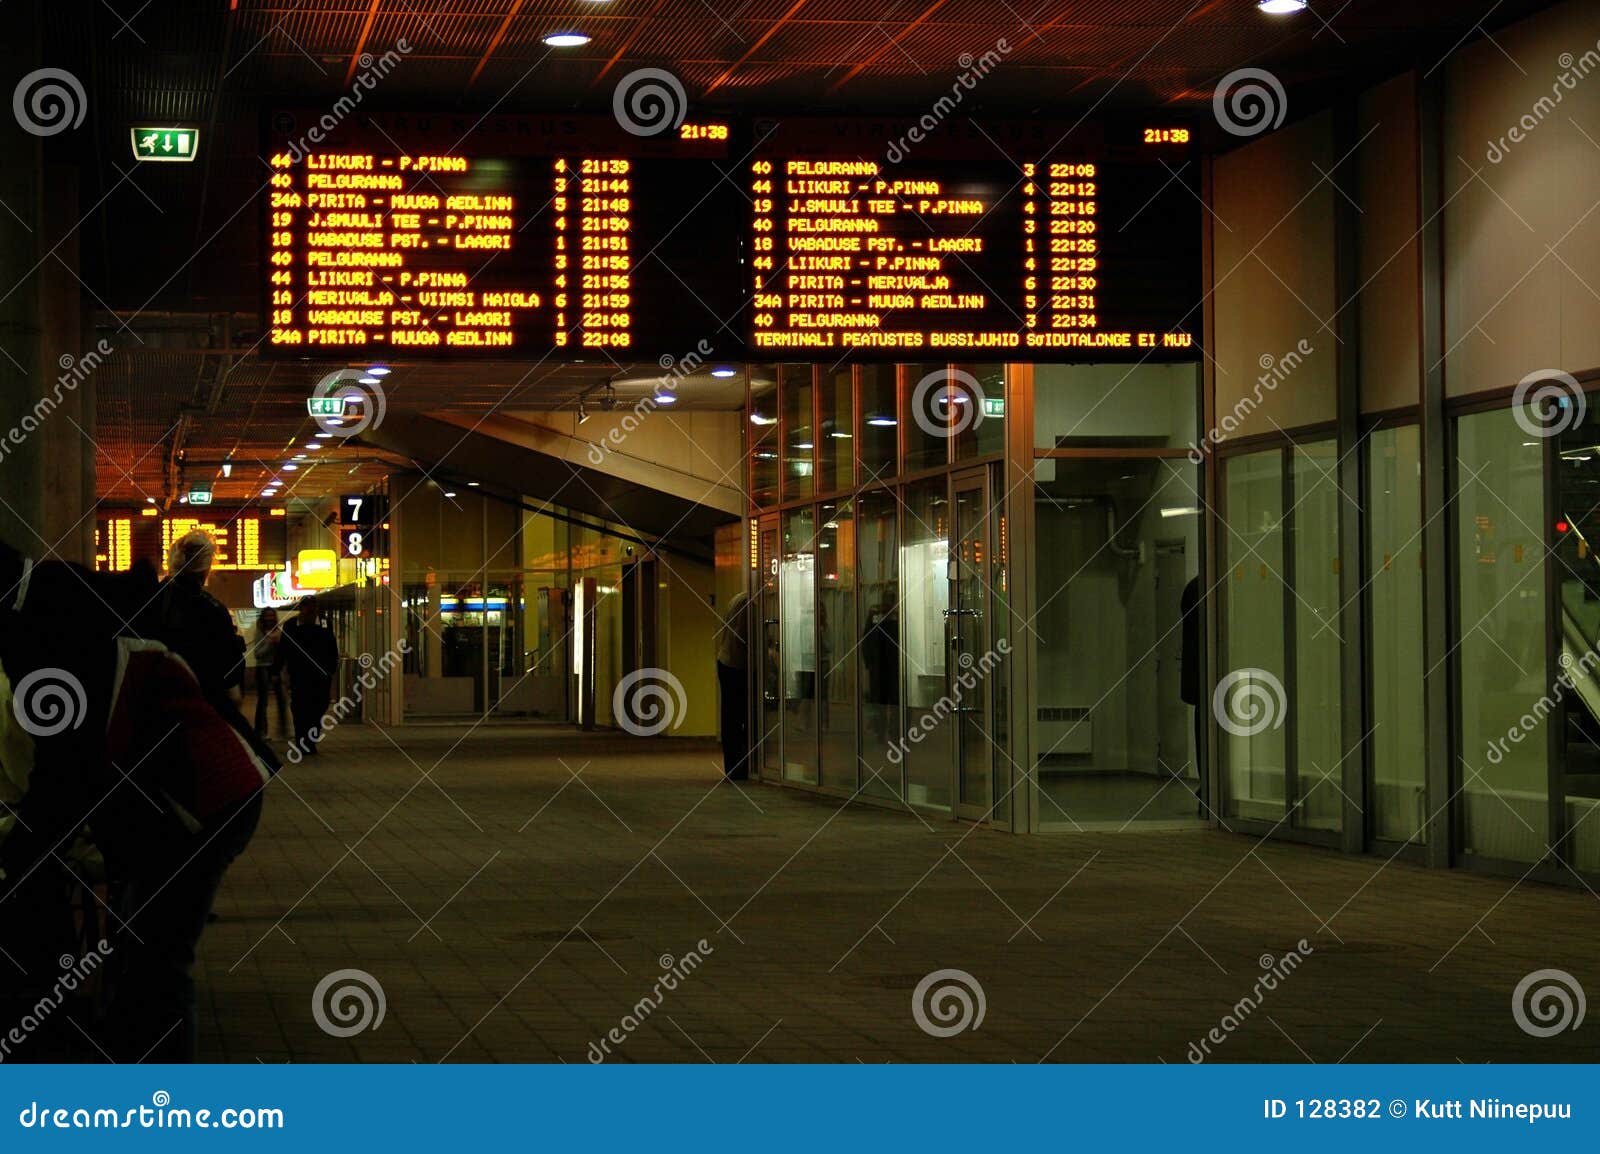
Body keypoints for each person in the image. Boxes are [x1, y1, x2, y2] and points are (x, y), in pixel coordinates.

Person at [275, 595, 340, 757]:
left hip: (321, 675)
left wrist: (331, 668)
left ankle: (313, 733)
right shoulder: (291, 626)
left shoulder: (325, 624)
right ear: (301, 609)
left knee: (320, 705)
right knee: (300, 708)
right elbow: (283, 649)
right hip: (299, 675)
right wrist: (276, 670)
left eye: (313, 607)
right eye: (307, 607)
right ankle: (303, 741)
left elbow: (332, 647)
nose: (311, 611)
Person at [715, 591, 750, 779]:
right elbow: (741, 637)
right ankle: (739, 766)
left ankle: (734, 765)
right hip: (737, 665)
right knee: (739, 716)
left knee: (730, 716)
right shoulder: (749, 603)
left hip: (727, 661)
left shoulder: (737, 598)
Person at [250, 608, 287, 737]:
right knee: (263, 700)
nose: (270, 618)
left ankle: (284, 729)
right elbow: (257, 654)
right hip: (263, 668)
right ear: (263, 618)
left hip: (276, 667)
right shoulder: (259, 632)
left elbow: (282, 653)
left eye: (272, 616)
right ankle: (261, 731)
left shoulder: (279, 632)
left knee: (282, 699)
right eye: (267, 616)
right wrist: (269, 642)